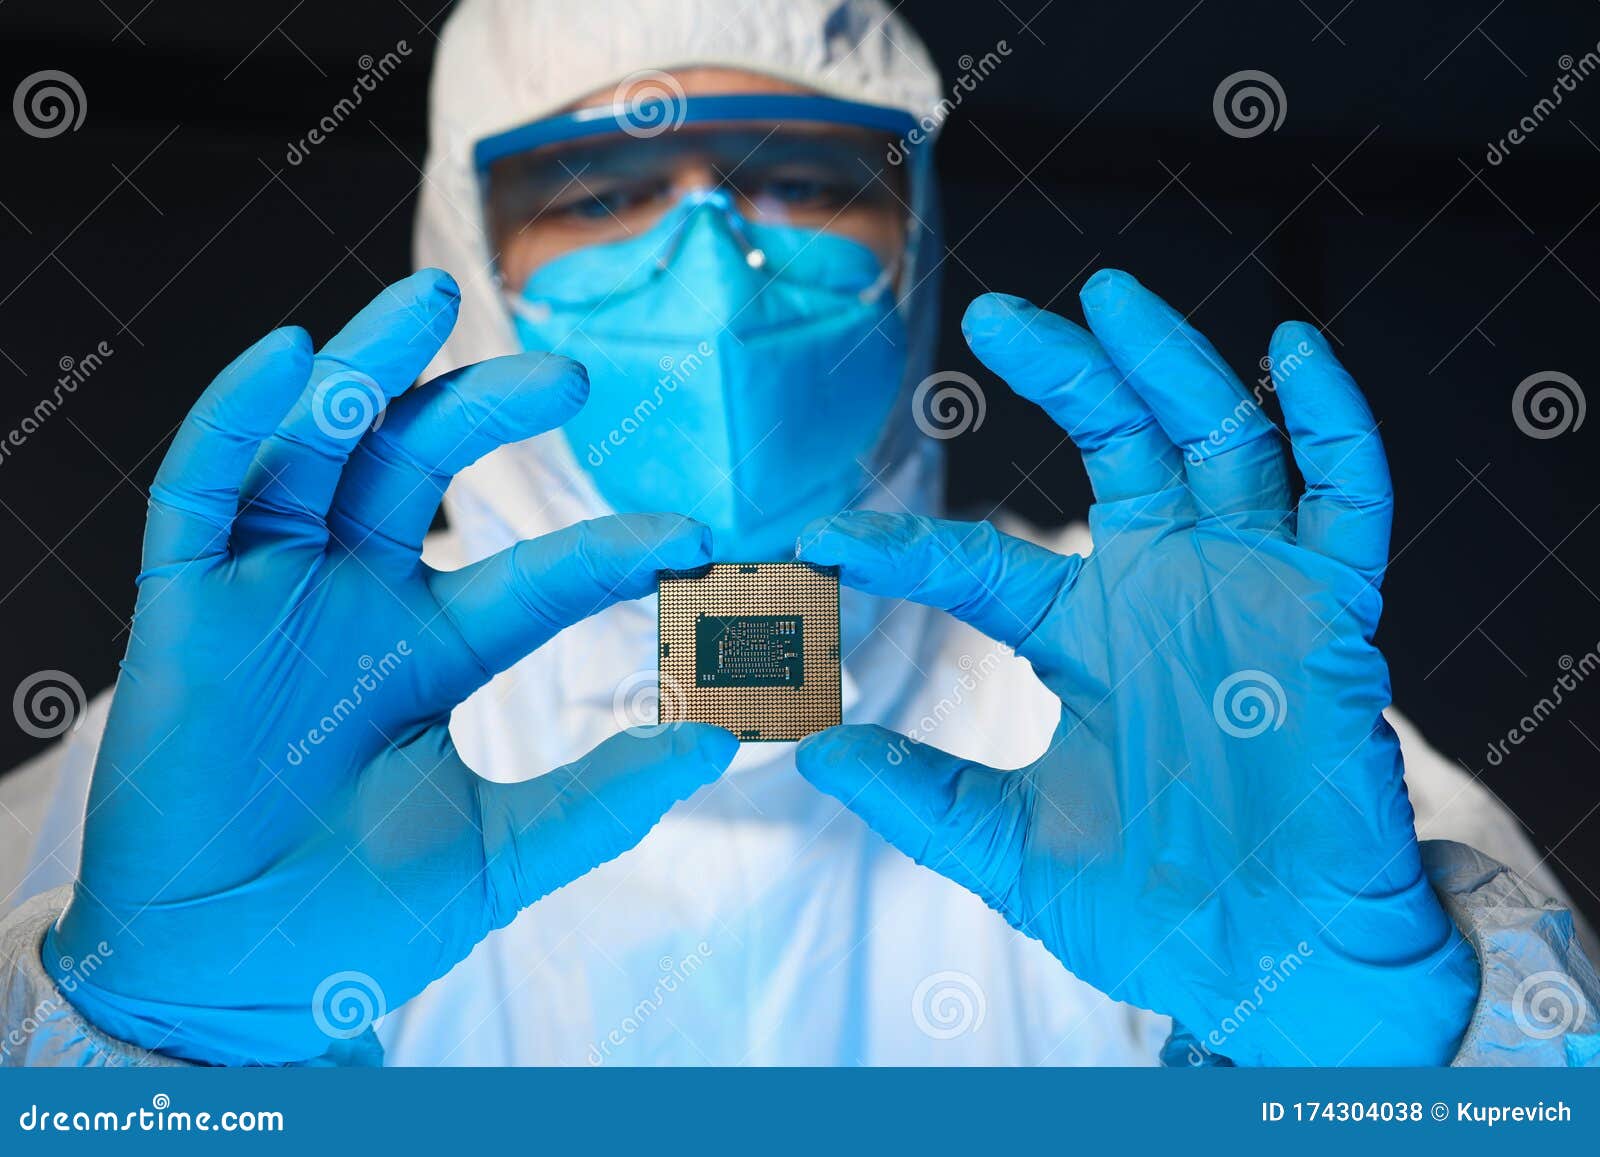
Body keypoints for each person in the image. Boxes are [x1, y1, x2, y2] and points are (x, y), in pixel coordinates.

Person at [1, 0, 1596, 1068]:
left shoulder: (1206, 728)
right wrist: (141, 1052)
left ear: (915, 243)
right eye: (602, 188)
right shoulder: (200, 786)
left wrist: (1390, 1070)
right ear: (465, 248)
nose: (711, 261)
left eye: (802, 178)